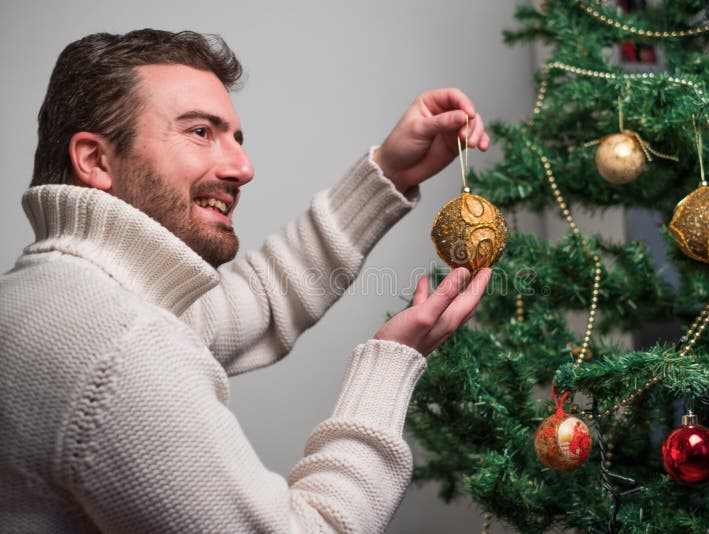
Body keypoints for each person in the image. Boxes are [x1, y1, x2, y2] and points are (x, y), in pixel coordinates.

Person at [0, 29, 492, 532]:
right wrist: (388, 366)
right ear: (95, 160)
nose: (243, 167)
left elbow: (262, 300)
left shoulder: (45, 301)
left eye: (236, 139)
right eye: (199, 132)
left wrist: (387, 170)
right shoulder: (120, 350)